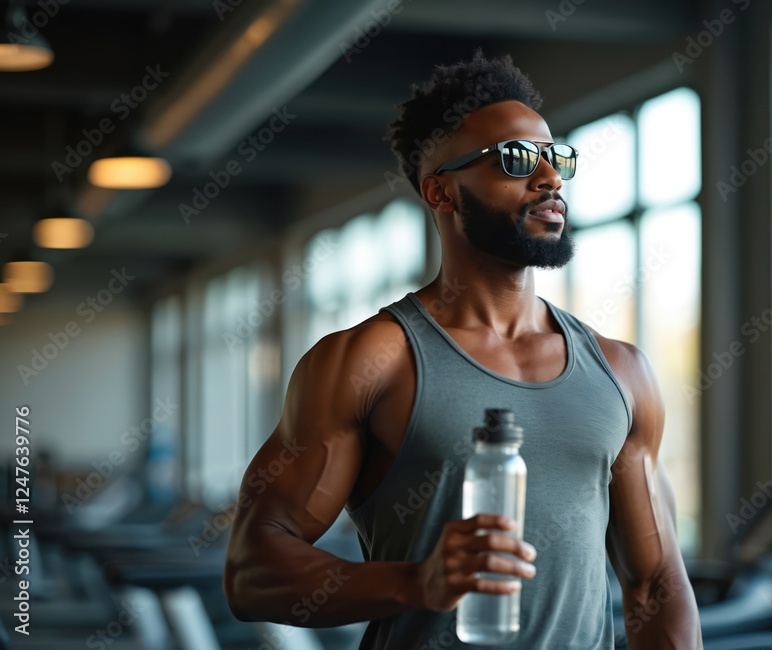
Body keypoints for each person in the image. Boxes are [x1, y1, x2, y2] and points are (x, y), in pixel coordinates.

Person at [224, 51, 702, 650]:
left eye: (555, 158)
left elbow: (655, 583)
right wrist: (413, 582)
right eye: (517, 159)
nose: (549, 178)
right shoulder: (370, 362)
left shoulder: (623, 372)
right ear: (442, 192)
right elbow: (251, 571)